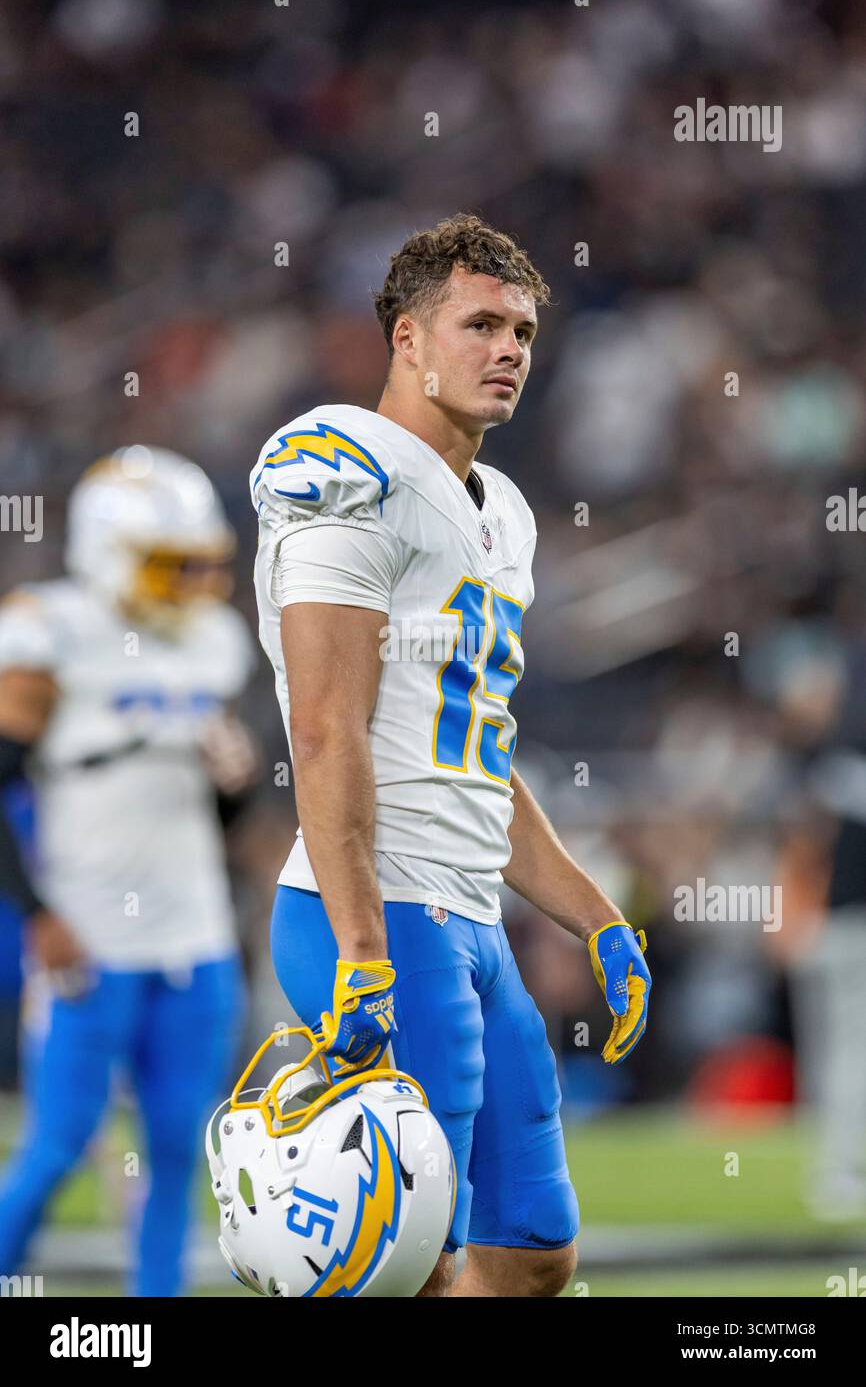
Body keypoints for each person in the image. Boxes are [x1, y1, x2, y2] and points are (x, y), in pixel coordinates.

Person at [252, 214, 651, 1298]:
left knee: (530, 1253)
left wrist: (595, 915)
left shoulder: (505, 514)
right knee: (414, 1266)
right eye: (477, 323)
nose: (507, 348)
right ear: (407, 340)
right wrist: (362, 947)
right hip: (378, 916)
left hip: (469, 919)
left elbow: (476, 756)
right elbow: (325, 727)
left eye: (521, 328)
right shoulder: (342, 466)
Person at [0, 447, 257, 1296]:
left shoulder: (214, 644)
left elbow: (223, 816)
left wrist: (236, 785)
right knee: (61, 1141)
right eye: (166, 563)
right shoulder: (51, 629)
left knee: (181, 1144)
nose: (188, 582)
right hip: (89, 931)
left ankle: (155, 1309)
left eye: (196, 563)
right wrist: (39, 912)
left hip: (196, 933)